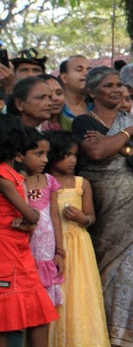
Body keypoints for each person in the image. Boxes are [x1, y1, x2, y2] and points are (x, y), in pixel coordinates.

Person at [71, 66, 133, 346]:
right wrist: (132, 135)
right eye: (109, 86)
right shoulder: (84, 122)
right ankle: (109, 337)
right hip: (104, 205)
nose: (117, 90)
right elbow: (97, 153)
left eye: (118, 85)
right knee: (109, 271)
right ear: (92, 92)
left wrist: (123, 147)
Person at [44, 132, 111, 346]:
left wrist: (83, 218)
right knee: (58, 294)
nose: (72, 160)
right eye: (66, 155)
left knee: (81, 293)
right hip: (53, 244)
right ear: (52, 156)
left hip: (80, 246)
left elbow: (91, 217)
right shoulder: (45, 183)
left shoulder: (82, 183)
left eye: (74, 155)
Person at [0, 116, 57, 347]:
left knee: (36, 315)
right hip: (7, 252)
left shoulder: (10, 174)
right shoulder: (5, 177)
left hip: (18, 248)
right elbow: (32, 214)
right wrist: (29, 219)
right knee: (6, 320)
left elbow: (28, 220)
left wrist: (27, 222)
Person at [17, 132, 64, 308]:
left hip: (47, 247)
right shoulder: (17, 182)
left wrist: (59, 252)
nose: (45, 160)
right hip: (26, 246)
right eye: (39, 154)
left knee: (44, 300)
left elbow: (55, 216)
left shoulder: (49, 180)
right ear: (20, 155)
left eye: (46, 154)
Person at [59, 56, 90, 122]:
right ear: (64, 78)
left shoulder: (96, 106)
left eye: (89, 70)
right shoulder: (55, 108)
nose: (86, 73)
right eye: (79, 69)